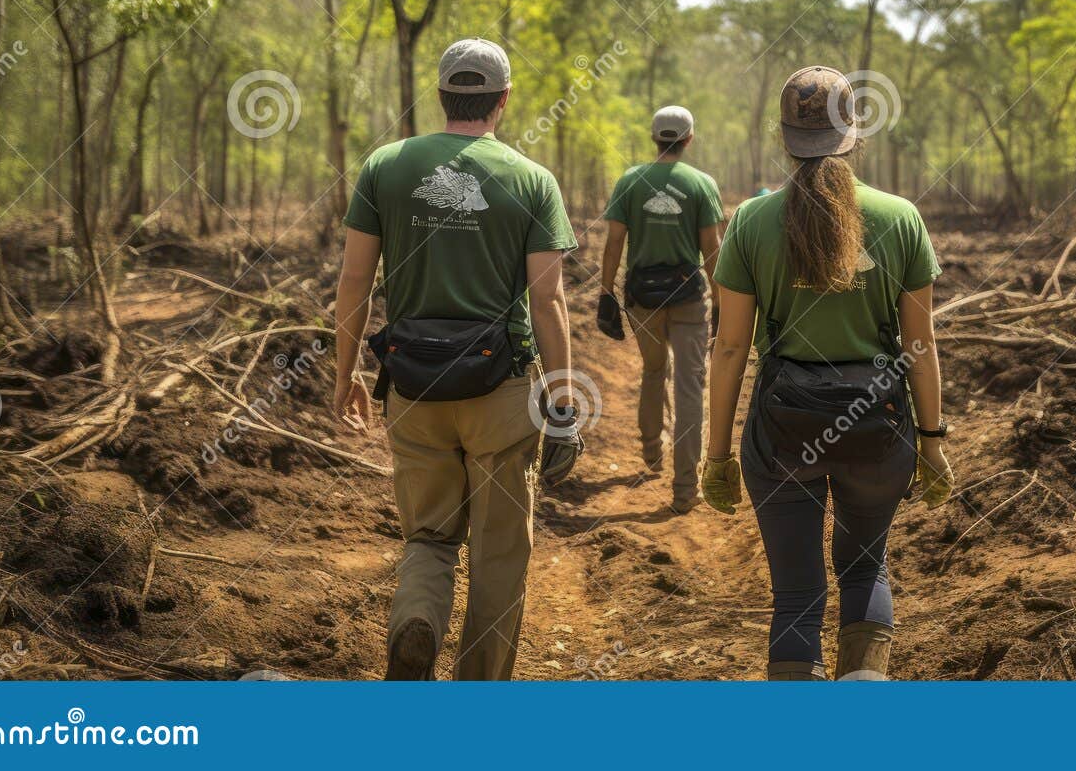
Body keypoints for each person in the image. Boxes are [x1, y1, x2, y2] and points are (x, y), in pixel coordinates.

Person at [331, 37, 582, 681]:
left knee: (428, 536)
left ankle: (417, 619)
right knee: (498, 556)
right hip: (500, 395)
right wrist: (561, 400)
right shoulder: (531, 180)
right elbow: (548, 300)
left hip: (412, 389)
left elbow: (355, 281)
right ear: (504, 99)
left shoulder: (384, 167)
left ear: (441, 93)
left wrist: (346, 374)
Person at [701, 66, 954, 681]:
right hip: (878, 428)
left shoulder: (751, 221)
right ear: (855, 134)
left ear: (784, 137)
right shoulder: (900, 217)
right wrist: (931, 442)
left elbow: (730, 349)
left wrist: (717, 456)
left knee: (795, 593)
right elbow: (920, 346)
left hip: (783, 431)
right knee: (865, 568)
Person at [598, 105, 724, 513]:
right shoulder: (701, 184)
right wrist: (721, 301)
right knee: (690, 387)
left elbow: (614, 243)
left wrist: (605, 294)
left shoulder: (630, 181)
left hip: (643, 300)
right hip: (689, 300)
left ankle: (652, 448)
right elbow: (711, 249)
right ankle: (685, 489)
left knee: (654, 370)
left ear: (655, 138)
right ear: (689, 139)